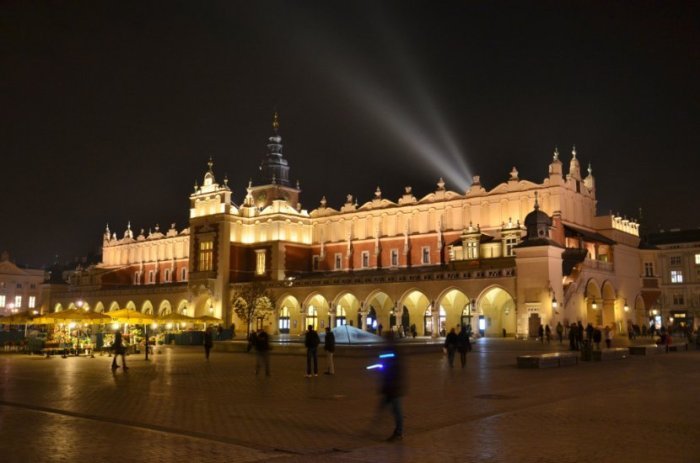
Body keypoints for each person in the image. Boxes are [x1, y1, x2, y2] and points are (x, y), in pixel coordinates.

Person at [379, 332, 404, 441]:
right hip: (392, 385)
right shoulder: (393, 349)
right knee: (393, 409)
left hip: (393, 386)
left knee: (396, 410)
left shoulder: (392, 350)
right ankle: (398, 431)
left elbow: (391, 367)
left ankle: (399, 432)